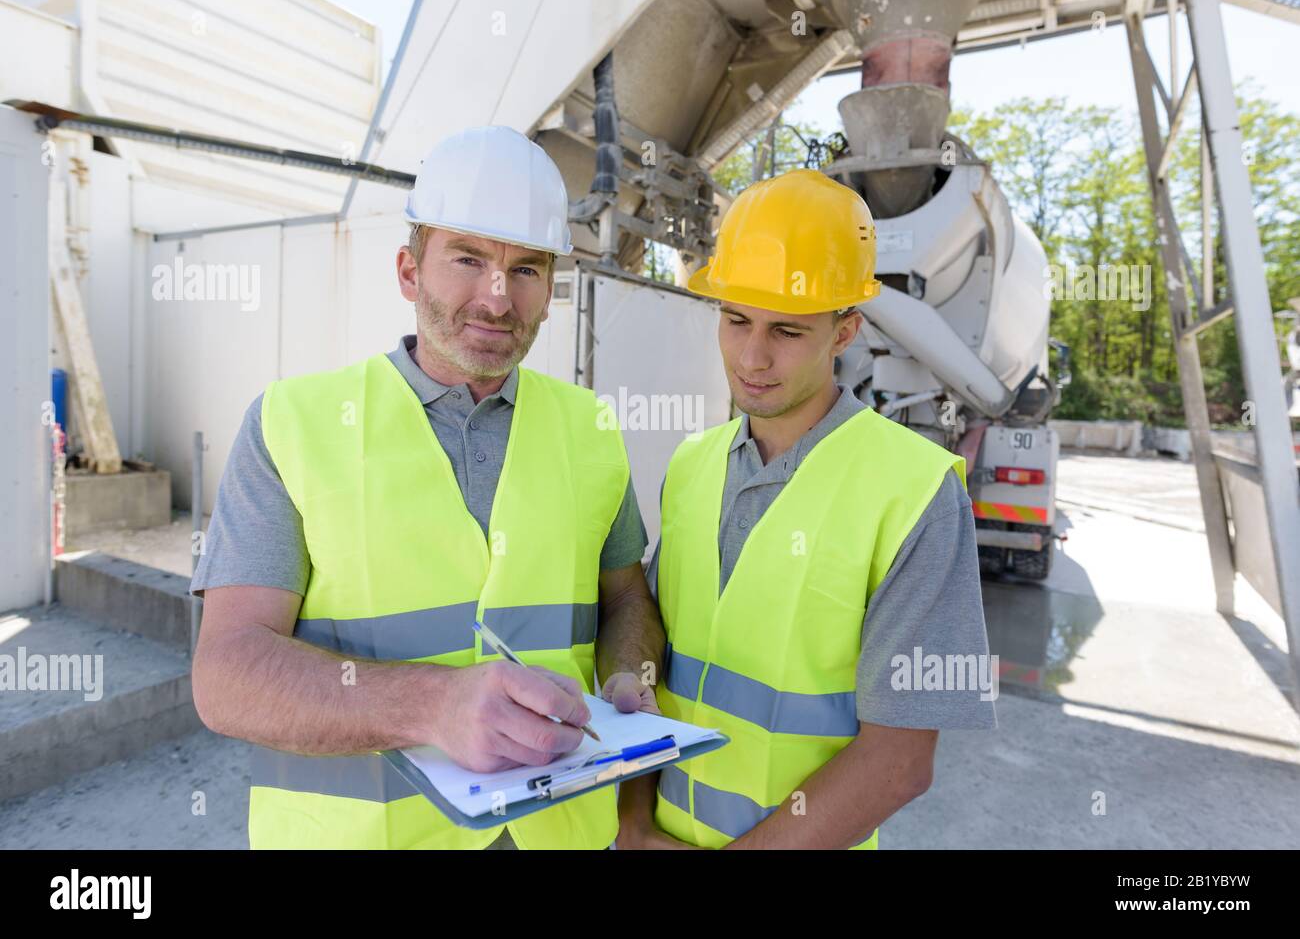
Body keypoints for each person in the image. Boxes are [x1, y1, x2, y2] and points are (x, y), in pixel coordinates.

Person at [190, 126, 664, 849]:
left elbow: (625, 596)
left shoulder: (589, 430)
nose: (497, 298)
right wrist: (435, 704)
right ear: (410, 271)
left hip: (562, 833)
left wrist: (629, 672)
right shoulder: (292, 425)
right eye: (468, 259)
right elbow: (227, 673)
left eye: (527, 269)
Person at [616, 168, 997, 850]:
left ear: (845, 329)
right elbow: (659, 671)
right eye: (735, 320)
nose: (752, 356)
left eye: (787, 331)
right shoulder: (692, 465)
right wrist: (635, 825)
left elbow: (899, 762)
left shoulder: (914, 492)